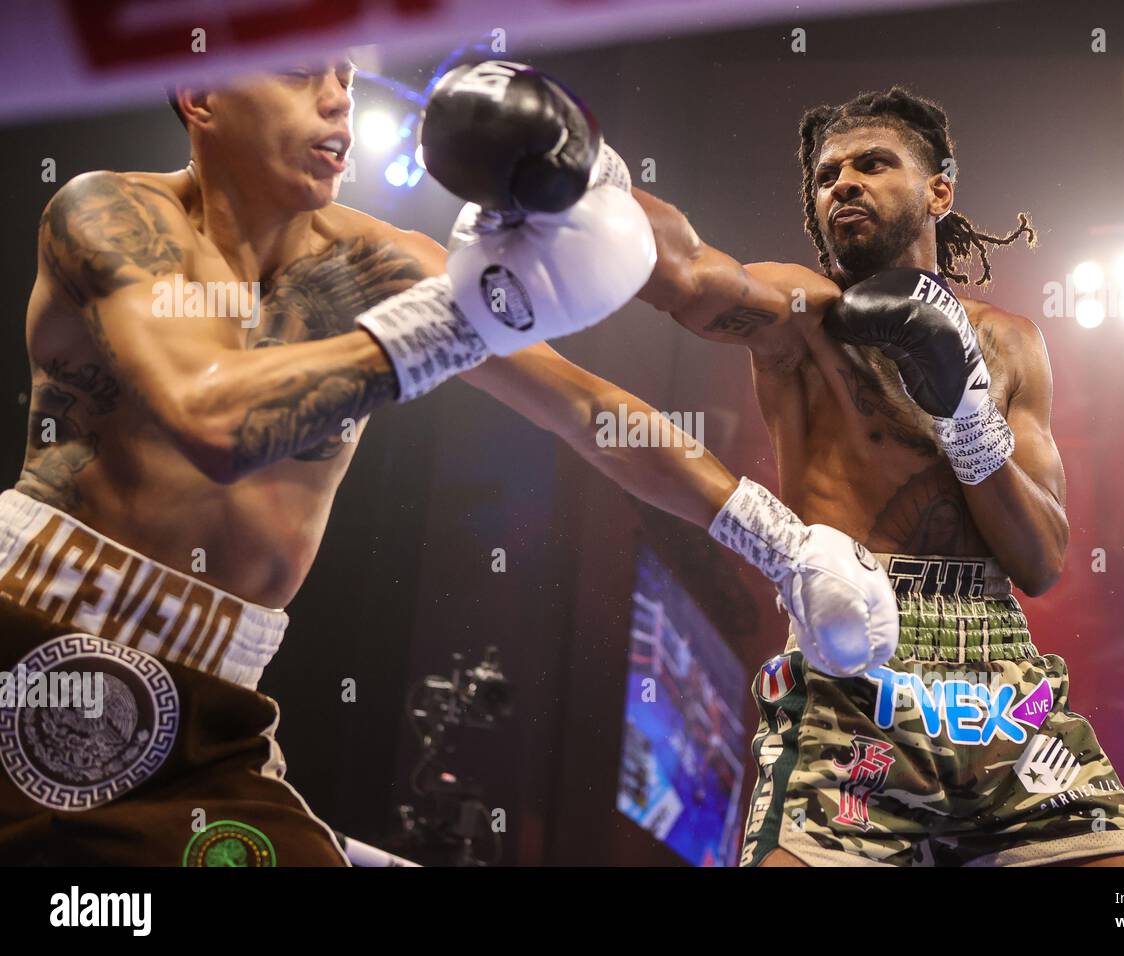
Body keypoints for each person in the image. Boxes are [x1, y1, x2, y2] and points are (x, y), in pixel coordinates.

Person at [0, 58, 894, 865]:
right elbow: (213, 417)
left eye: (346, 77)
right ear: (201, 96)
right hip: (30, 633)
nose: (335, 98)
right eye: (299, 74)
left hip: (215, 695)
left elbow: (589, 413)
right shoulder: (108, 213)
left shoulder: (387, 264)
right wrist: (465, 320)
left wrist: (783, 540)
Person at [626, 84, 1124, 866]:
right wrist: (582, 176)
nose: (842, 181)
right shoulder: (799, 314)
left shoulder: (1008, 341)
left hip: (1003, 686)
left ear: (939, 189)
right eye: (827, 175)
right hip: (853, 667)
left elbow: (1042, 560)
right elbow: (685, 277)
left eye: (872, 164)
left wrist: (967, 418)